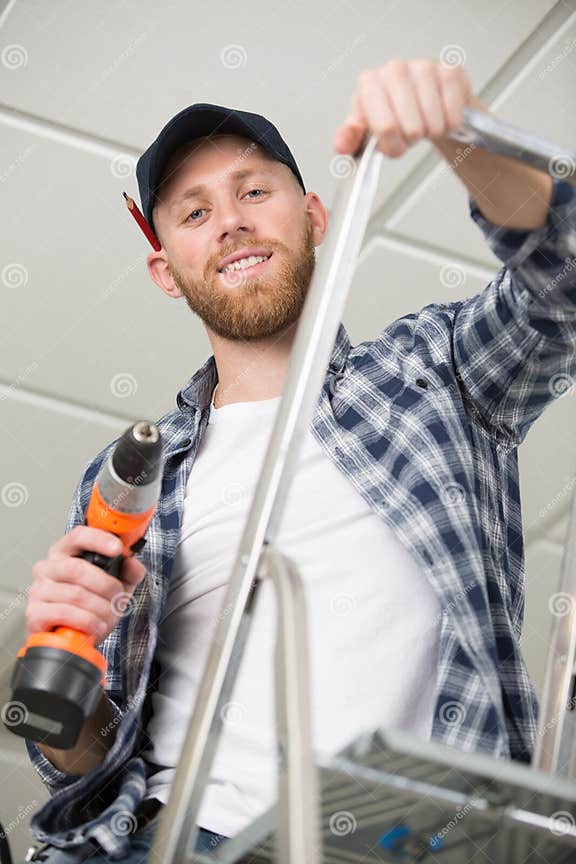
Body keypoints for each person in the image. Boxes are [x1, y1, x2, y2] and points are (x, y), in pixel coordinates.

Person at [20, 59, 575, 863]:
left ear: (313, 215)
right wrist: (55, 679)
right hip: (162, 841)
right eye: (194, 212)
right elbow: (82, 762)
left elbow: (563, 284)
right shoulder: (134, 478)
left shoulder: (437, 373)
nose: (231, 223)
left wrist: (464, 130)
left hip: (399, 839)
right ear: (164, 269)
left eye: (254, 192)